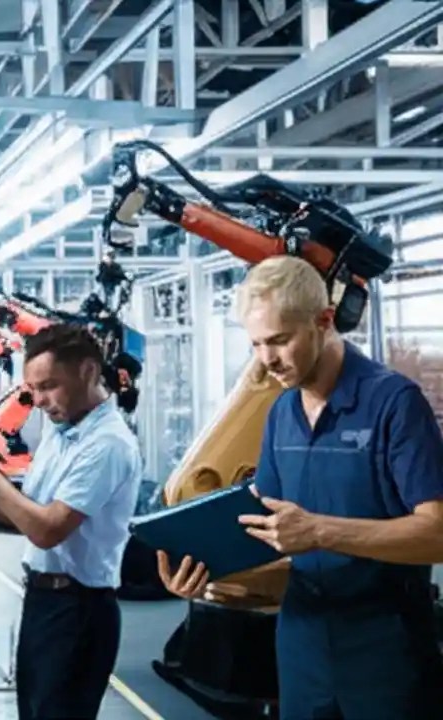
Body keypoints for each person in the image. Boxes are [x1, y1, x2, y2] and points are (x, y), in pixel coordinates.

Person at [157, 255, 443, 719]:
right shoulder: (281, 414)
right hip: (302, 643)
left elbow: (437, 533)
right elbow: (271, 536)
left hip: (386, 644)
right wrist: (208, 575)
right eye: (255, 344)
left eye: (279, 340)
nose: (266, 359)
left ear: (324, 321)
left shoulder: (394, 403)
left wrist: (320, 532)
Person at [0, 323, 144, 720]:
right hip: (44, 604)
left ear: (89, 371)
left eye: (48, 386)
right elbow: (20, 516)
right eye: (33, 389)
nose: (38, 400)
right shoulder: (62, 430)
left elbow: (46, 530)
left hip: (79, 612)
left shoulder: (106, 444)